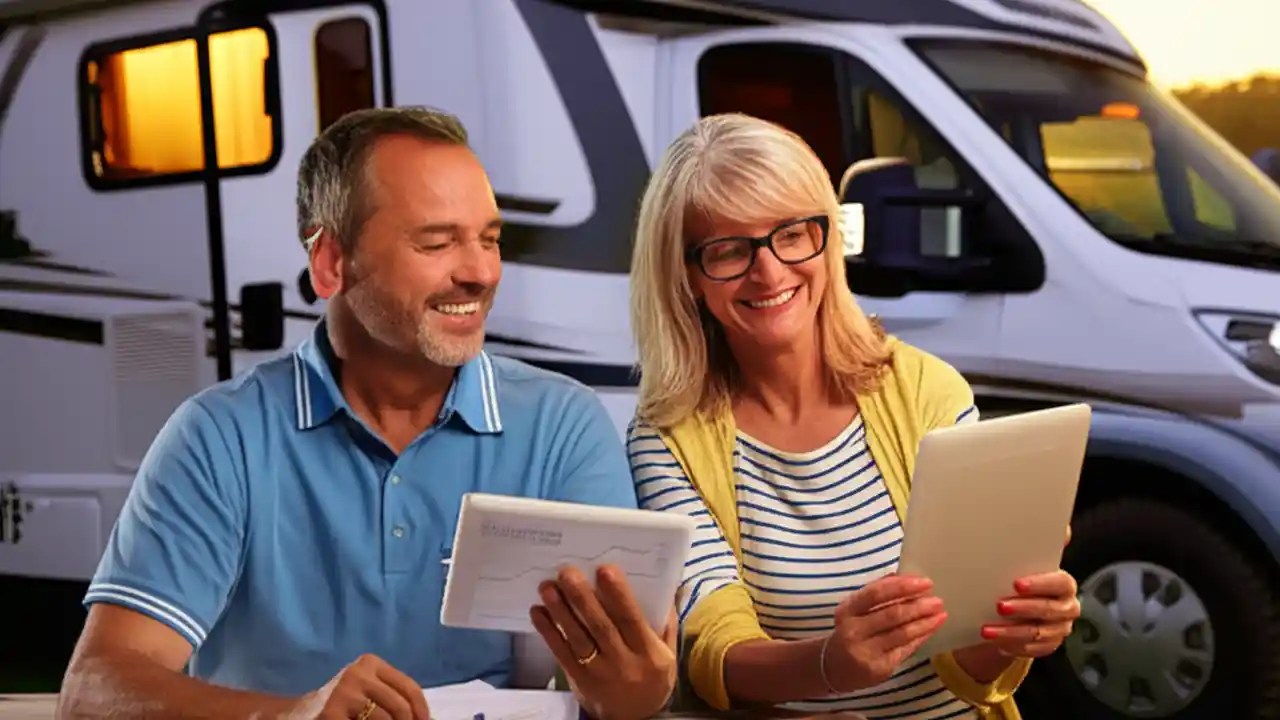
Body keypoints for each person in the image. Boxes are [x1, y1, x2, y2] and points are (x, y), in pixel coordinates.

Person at [56, 106, 676, 720]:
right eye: (437, 242)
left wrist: (637, 690)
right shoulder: (219, 437)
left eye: (490, 239)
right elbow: (94, 690)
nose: (481, 273)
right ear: (331, 263)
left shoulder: (563, 426)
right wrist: (295, 717)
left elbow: (622, 688)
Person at [625, 113, 1081, 720]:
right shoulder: (668, 436)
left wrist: (1013, 631)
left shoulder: (925, 390)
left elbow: (967, 674)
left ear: (828, 237)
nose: (770, 271)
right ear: (685, 276)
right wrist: (830, 664)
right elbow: (713, 652)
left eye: (791, 234)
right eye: (729, 250)